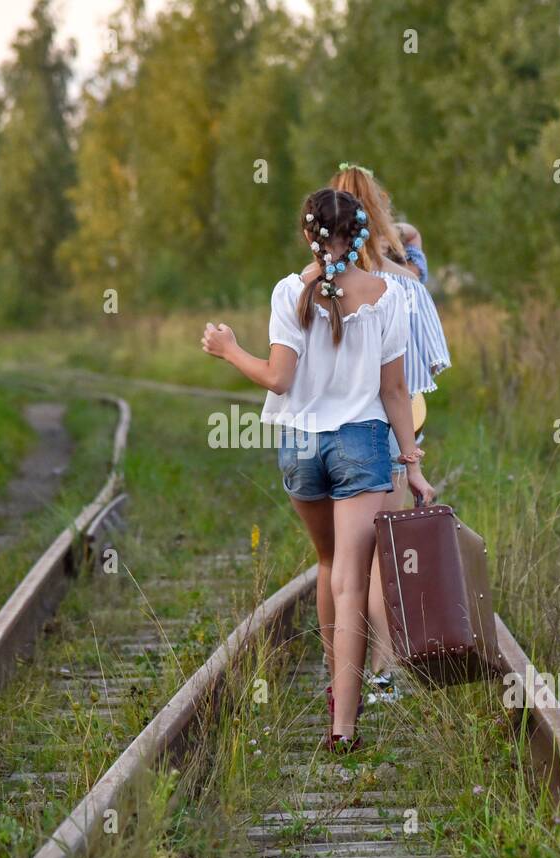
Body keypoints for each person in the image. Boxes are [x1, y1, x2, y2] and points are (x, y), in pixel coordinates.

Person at [200, 188, 434, 752]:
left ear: (309, 235)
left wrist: (230, 349)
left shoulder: (289, 291)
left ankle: (336, 685)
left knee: (328, 564)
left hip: (303, 446)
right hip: (362, 444)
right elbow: (396, 391)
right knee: (353, 579)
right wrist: (413, 464)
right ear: (360, 236)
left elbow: (279, 379)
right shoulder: (388, 295)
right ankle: (344, 725)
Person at [329, 163, 451, 703]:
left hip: (325, 433)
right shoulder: (403, 285)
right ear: (380, 211)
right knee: (386, 551)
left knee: (335, 559)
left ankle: (340, 673)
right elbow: (413, 382)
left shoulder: (315, 279)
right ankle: (380, 670)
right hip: (384, 432)